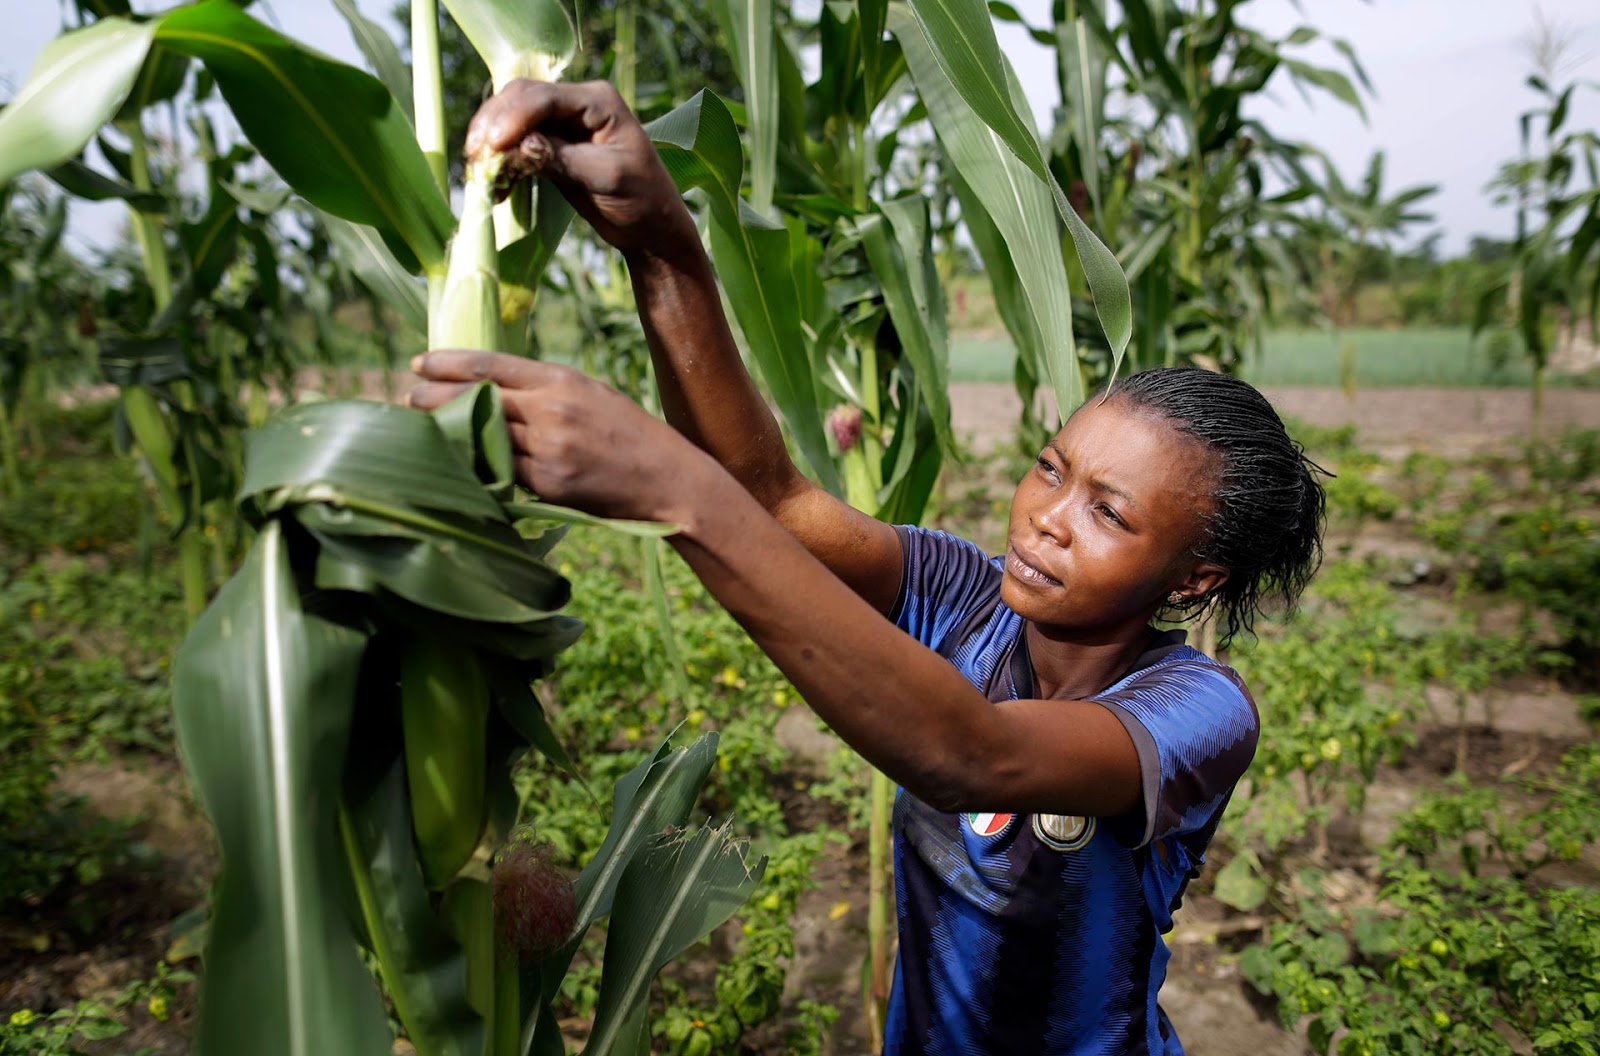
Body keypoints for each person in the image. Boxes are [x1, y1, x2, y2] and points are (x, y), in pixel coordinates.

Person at [408, 80, 1326, 1056]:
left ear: (1193, 578)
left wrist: (674, 492)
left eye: (1107, 511)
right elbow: (770, 498)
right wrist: (662, 242)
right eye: (1049, 469)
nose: (1047, 520)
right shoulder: (959, 593)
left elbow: (975, 755)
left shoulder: (1193, 710)